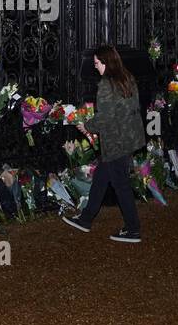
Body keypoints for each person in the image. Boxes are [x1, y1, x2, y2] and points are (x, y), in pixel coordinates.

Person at [63, 44, 147, 242]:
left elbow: (106, 117)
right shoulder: (127, 78)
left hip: (116, 142)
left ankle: (133, 229)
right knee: (101, 177)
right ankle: (85, 218)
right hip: (129, 137)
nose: (95, 67)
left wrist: (87, 126)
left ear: (106, 63)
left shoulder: (106, 85)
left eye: (97, 63)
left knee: (121, 186)